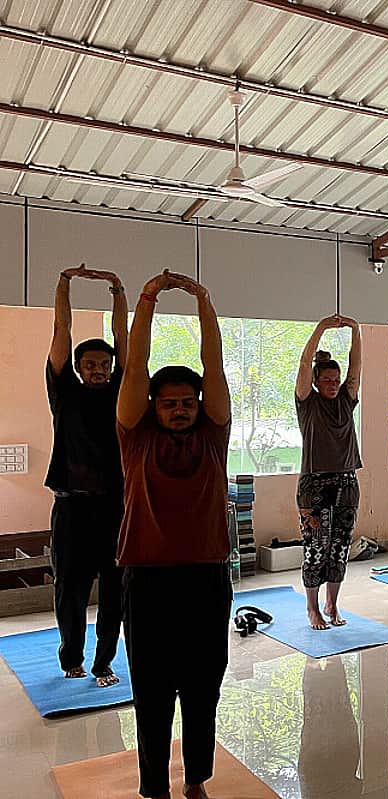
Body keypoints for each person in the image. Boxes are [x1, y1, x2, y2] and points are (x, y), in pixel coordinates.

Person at [115, 270, 232, 799]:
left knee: (203, 689)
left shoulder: (213, 435)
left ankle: (196, 780)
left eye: (188, 401)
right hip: (148, 581)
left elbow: (215, 363)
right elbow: (135, 364)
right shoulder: (134, 438)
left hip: (207, 579)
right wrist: (146, 300)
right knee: (153, 692)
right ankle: (153, 786)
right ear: (154, 408)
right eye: (170, 403)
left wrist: (204, 301)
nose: (180, 409)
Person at [45, 264, 128, 689]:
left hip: (114, 506)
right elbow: (62, 330)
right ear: (78, 368)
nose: (98, 370)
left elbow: (125, 338)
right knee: (70, 590)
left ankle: (104, 663)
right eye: (90, 364)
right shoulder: (65, 391)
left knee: (115, 590)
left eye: (104, 365)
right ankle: (72, 658)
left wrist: (117, 290)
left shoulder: (120, 389)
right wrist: (64, 284)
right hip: (72, 505)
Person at [295, 314, 363, 630]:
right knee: (315, 548)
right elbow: (305, 361)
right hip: (314, 484)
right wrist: (320, 328)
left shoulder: (347, 402)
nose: (334, 385)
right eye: (327, 380)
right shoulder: (307, 402)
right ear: (316, 382)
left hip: (347, 482)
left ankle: (332, 603)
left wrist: (356, 330)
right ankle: (312, 608)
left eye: (336, 380)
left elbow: (356, 368)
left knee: (339, 548)